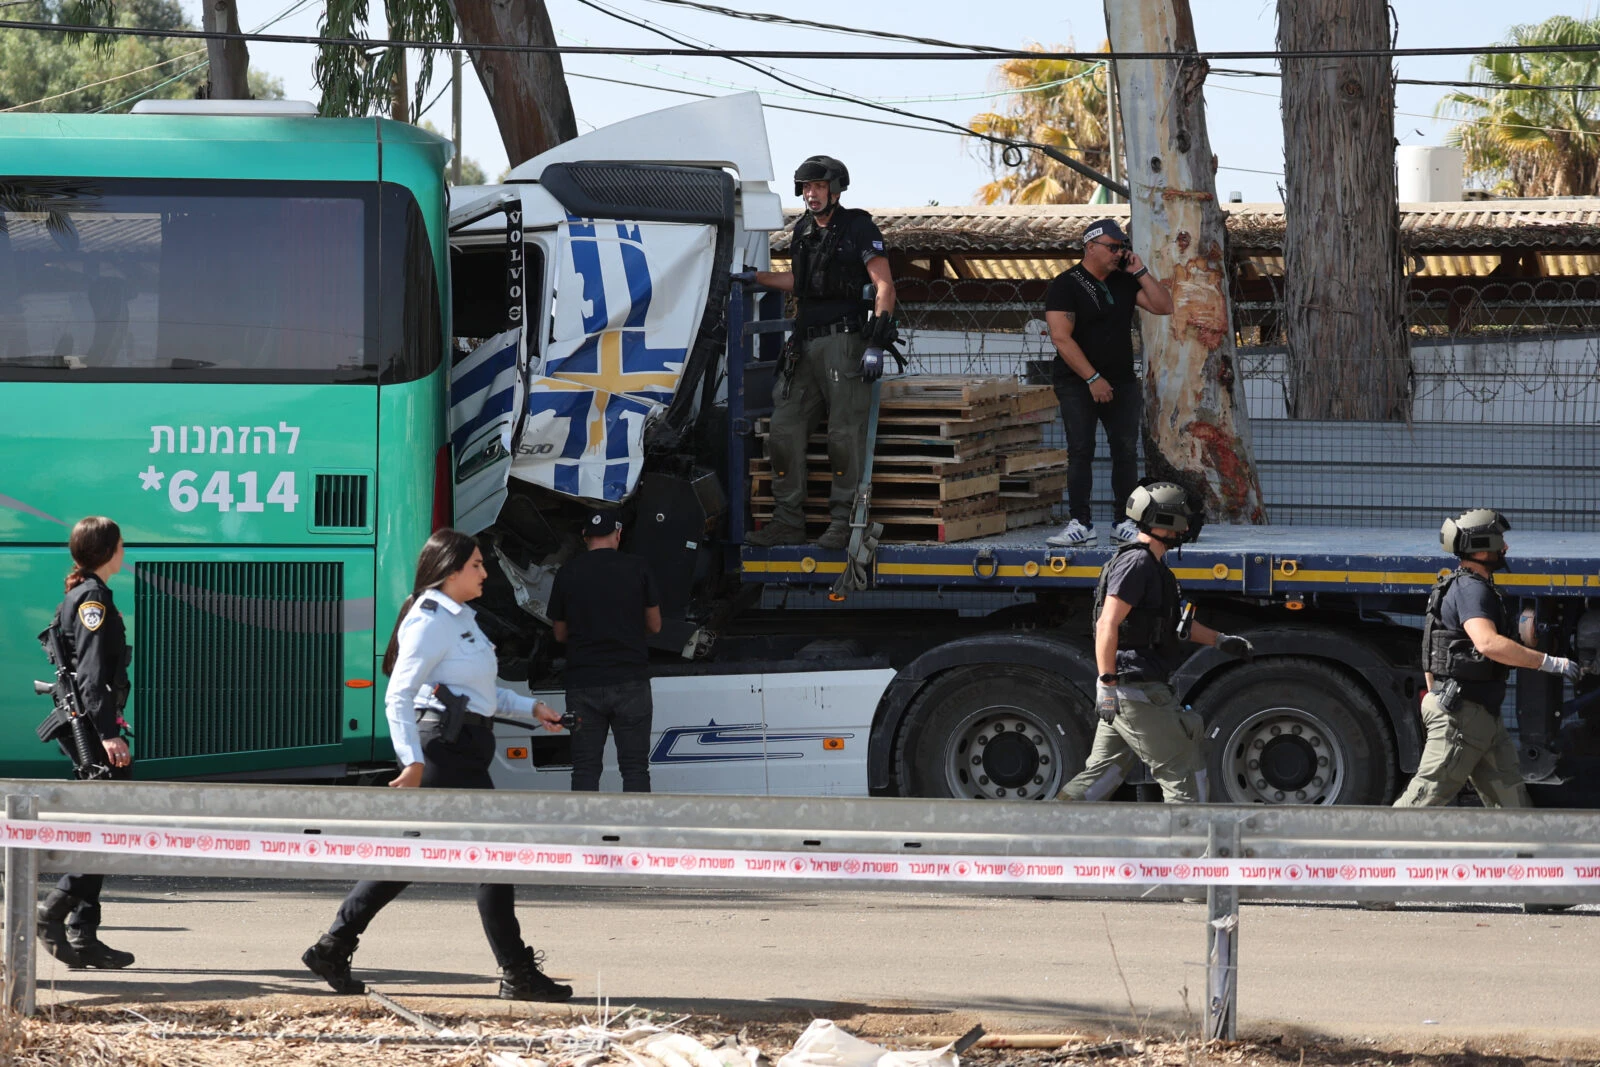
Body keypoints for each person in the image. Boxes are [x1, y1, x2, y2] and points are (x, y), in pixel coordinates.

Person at [301, 529, 572, 1001]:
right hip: (445, 752)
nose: (485, 573)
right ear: (450, 570)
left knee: (410, 854)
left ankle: (334, 944)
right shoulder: (430, 621)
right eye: (476, 566)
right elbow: (398, 696)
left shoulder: (459, 618)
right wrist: (412, 762)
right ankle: (517, 972)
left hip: (461, 748)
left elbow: (481, 696)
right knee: (493, 856)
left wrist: (531, 709)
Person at [736, 155, 898, 550]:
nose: (812, 193)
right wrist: (757, 277)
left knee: (844, 435)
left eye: (819, 186)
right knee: (784, 430)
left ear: (835, 189)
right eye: (807, 187)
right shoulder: (803, 230)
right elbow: (801, 281)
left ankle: (843, 523)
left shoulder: (858, 226)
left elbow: (884, 285)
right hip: (804, 343)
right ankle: (787, 522)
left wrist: (876, 343)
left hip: (845, 342)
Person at [1057, 483, 1252, 803]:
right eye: (1182, 519)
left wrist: (1220, 641)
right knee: (1185, 773)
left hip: (1130, 689)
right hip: (1136, 690)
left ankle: (1045, 839)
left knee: (1099, 780)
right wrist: (1107, 683)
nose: (1188, 527)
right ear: (1165, 520)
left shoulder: (1154, 566)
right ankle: (1192, 851)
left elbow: (1176, 625)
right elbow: (1108, 622)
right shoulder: (1138, 565)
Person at [1394, 509, 1580, 808]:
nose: (1505, 547)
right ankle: (1377, 849)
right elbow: (1487, 642)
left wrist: (1437, 698)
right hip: (1463, 716)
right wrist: (1550, 662)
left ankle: (1523, 854)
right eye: (1499, 540)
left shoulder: (1461, 586)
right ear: (1480, 545)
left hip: (1480, 715)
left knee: (1511, 803)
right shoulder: (1471, 590)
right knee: (1424, 799)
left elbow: (1436, 651)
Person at [35, 515, 136, 970]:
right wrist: (109, 732)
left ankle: (82, 932)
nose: (124, 550)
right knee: (109, 824)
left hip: (90, 723)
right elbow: (93, 676)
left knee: (105, 823)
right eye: (121, 544)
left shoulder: (81, 594)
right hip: (92, 730)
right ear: (108, 549)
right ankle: (56, 911)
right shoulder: (92, 598)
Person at [1043, 219, 1175, 548]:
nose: (1119, 253)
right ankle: (1080, 523)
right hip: (1078, 382)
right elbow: (1061, 337)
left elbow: (1164, 306)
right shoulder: (1066, 284)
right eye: (1113, 247)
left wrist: (1140, 270)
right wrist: (1092, 378)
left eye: (1122, 247)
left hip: (1121, 382)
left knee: (1125, 452)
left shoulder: (1123, 282)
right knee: (1081, 451)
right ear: (1090, 247)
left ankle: (1124, 522)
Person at [547, 507, 662, 792]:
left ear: (585, 536)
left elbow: (560, 633)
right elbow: (656, 626)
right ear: (618, 534)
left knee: (585, 770)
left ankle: (586, 835)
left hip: (583, 685)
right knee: (635, 770)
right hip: (630, 682)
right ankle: (637, 834)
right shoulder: (638, 568)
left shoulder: (566, 573)